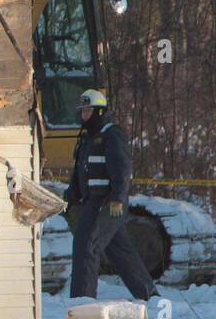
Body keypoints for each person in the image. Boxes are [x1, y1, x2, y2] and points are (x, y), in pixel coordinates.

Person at [65, 89, 157, 300]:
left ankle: (83, 301)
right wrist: (70, 198)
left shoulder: (111, 133)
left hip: (108, 201)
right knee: (120, 251)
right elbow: (79, 171)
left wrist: (118, 197)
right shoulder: (87, 138)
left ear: (98, 111)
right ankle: (149, 294)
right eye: (82, 110)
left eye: (87, 110)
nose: (83, 115)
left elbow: (122, 168)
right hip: (92, 200)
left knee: (87, 246)